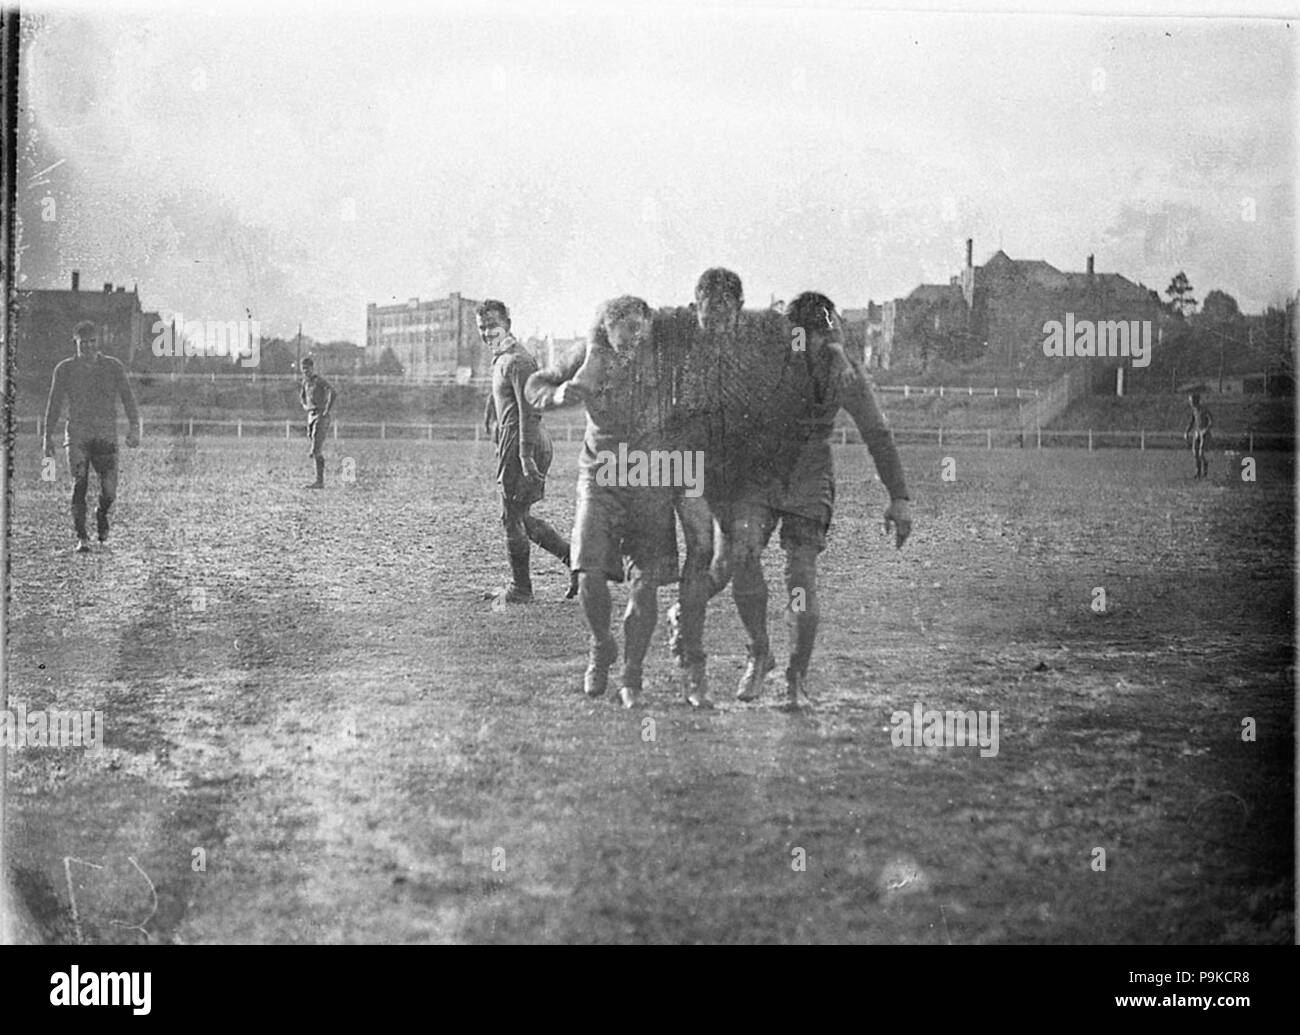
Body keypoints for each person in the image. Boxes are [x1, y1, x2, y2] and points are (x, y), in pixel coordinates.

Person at [718, 291, 913, 708]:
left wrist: (899, 496)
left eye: (828, 337)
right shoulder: (764, 358)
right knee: (744, 554)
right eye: (805, 337)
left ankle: (797, 676)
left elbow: (876, 433)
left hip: (809, 477)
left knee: (800, 578)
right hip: (762, 472)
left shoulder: (845, 373)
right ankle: (759, 651)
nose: (816, 346)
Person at [526, 296, 680, 708]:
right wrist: (560, 395)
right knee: (587, 569)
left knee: (645, 583)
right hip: (601, 471)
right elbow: (537, 384)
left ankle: (632, 674)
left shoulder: (663, 354)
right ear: (606, 330)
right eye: (625, 328)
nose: (635, 336)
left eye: (640, 327)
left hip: (651, 473)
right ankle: (601, 646)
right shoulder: (586, 354)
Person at [478, 300, 577, 603]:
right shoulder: (503, 357)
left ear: (507, 321)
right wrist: (490, 411)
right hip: (517, 441)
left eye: (492, 324)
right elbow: (504, 394)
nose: (487, 332)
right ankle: (577, 563)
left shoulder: (518, 360)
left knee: (511, 518)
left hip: (524, 441)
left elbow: (530, 409)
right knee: (518, 515)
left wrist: (524, 454)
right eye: (481, 327)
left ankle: (522, 589)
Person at [42, 320, 141, 553]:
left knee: (109, 491)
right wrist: (47, 437)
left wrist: (135, 427)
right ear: (75, 344)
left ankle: (101, 514)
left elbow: (128, 398)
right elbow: (54, 404)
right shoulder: (64, 369)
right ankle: (82, 537)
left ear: (98, 342)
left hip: (105, 435)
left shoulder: (113, 367)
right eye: (82, 343)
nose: (88, 347)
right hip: (77, 434)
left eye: (92, 342)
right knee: (79, 483)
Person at [299, 356, 336, 489]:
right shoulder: (305, 382)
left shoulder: (318, 380)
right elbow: (302, 396)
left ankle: (319, 481)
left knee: (316, 446)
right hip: (311, 415)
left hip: (321, 414)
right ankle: (319, 480)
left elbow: (333, 391)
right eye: (303, 369)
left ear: (312, 368)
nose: (305, 371)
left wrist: (327, 409)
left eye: (307, 369)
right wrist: (305, 406)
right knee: (316, 448)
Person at [1184, 392, 1214, 479]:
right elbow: (1191, 422)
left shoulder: (1204, 409)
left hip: (1204, 434)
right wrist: (1187, 432)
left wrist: (1206, 429)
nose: (1190, 402)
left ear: (1196, 400)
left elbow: (1211, 422)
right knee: (1195, 453)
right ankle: (1198, 472)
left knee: (1201, 454)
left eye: (1191, 400)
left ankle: (1205, 471)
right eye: (1189, 400)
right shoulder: (1194, 410)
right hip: (1197, 433)